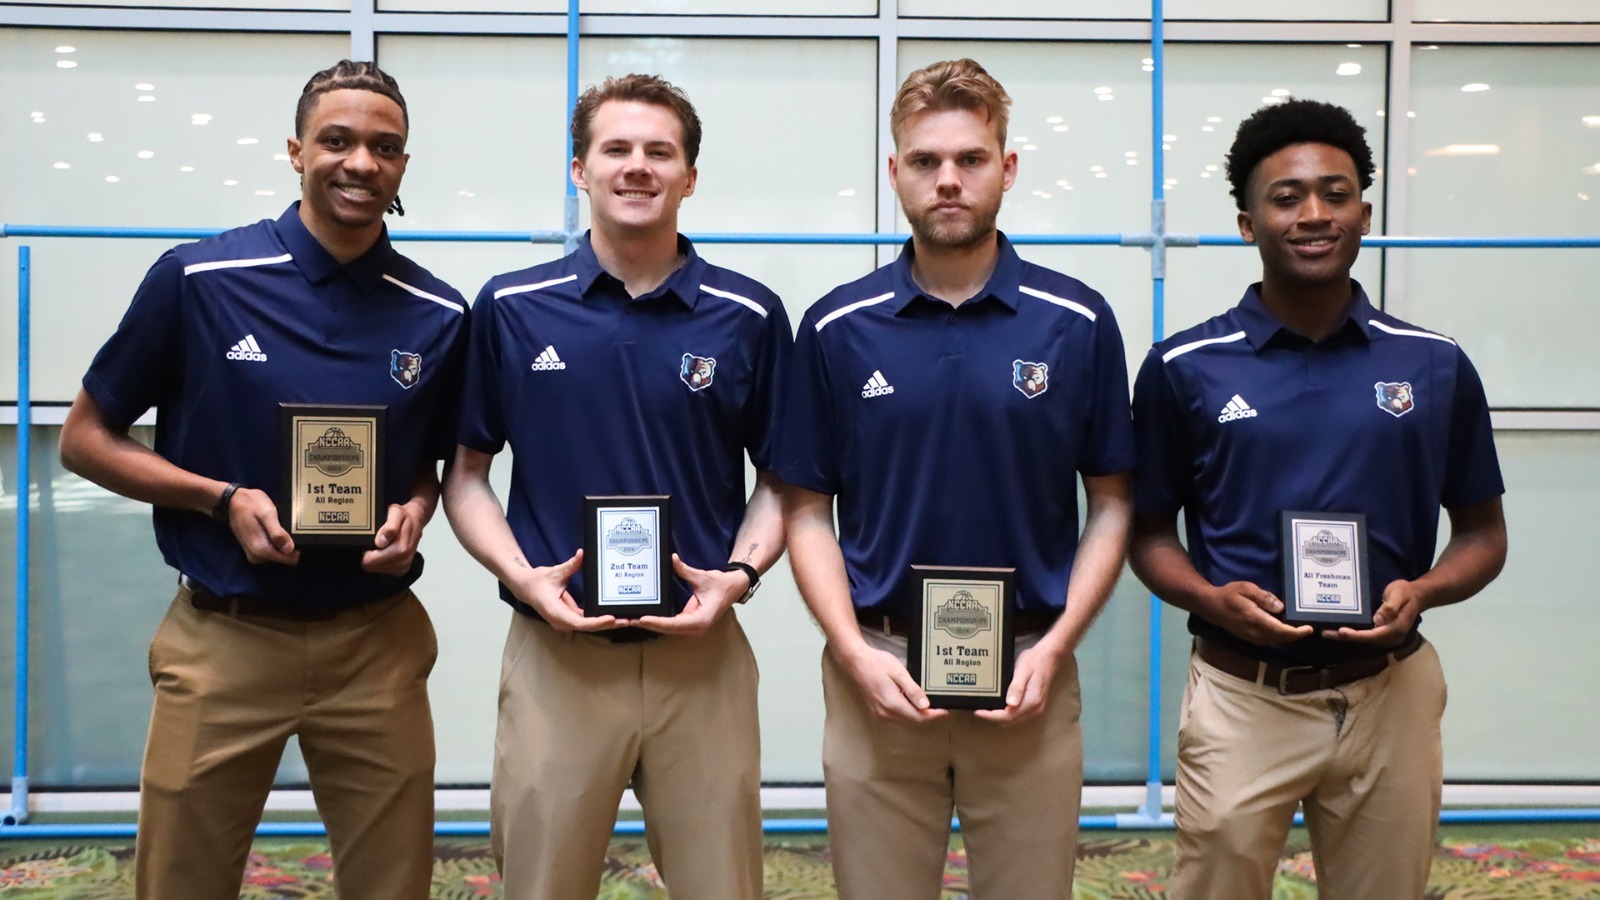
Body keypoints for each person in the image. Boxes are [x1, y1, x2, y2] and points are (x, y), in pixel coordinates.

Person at [57, 60, 468, 900]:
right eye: (337, 140)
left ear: (403, 165)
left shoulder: (439, 313)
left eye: (384, 147)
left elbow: (428, 472)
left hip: (375, 642)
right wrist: (219, 499)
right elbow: (85, 440)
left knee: (395, 885)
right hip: (224, 638)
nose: (361, 162)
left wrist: (415, 513)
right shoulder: (198, 280)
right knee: (180, 882)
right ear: (296, 150)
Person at [1128, 98, 1508, 900]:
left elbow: (1482, 534)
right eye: (1287, 197)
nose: (1313, 215)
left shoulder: (1434, 365)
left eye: (1336, 195)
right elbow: (1149, 535)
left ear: (1364, 213)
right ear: (1247, 223)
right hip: (1242, 695)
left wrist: (1424, 591)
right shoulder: (1183, 367)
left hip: (1390, 692)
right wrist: (1210, 598)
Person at [779, 58, 1135, 899]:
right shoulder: (836, 327)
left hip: (1029, 674)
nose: (948, 179)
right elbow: (805, 509)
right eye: (926, 160)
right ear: (894, 171)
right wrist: (852, 651)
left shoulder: (1077, 321)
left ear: (1006, 169)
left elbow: (1113, 504)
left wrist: (1058, 646)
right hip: (879, 674)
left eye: (971, 159)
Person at [441, 73, 789, 900]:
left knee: (724, 888)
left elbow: (782, 484)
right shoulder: (511, 307)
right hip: (556, 656)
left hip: (701, 656)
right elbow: (466, 476)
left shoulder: (748, 314)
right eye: (617, 149)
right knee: (539, 886)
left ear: (689, 176)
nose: (638, 166)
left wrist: (739, 577)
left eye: (659, 152)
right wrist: (522, 576)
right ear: (580, 169)